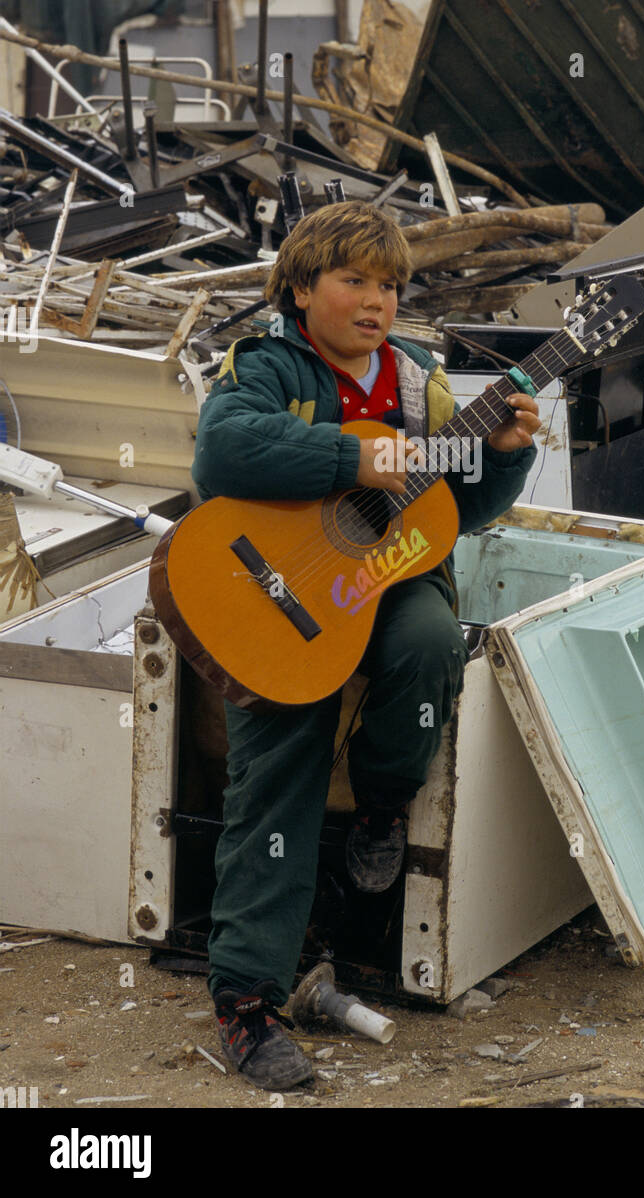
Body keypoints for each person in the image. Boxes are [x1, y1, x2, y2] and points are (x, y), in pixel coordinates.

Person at [191, 200, 540, 1090]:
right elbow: (221, 456)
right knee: (278, 760)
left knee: (430, 643)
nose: (376, 299)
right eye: (355, 280)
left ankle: (383, 805)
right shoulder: (266, 366)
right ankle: (246, 1003)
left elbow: (455, 515)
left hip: (391, 581)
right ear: (302, 288)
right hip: (283, 589)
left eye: (389, 284)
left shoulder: (421, 382)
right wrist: (352, 461)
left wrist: (498, 456)